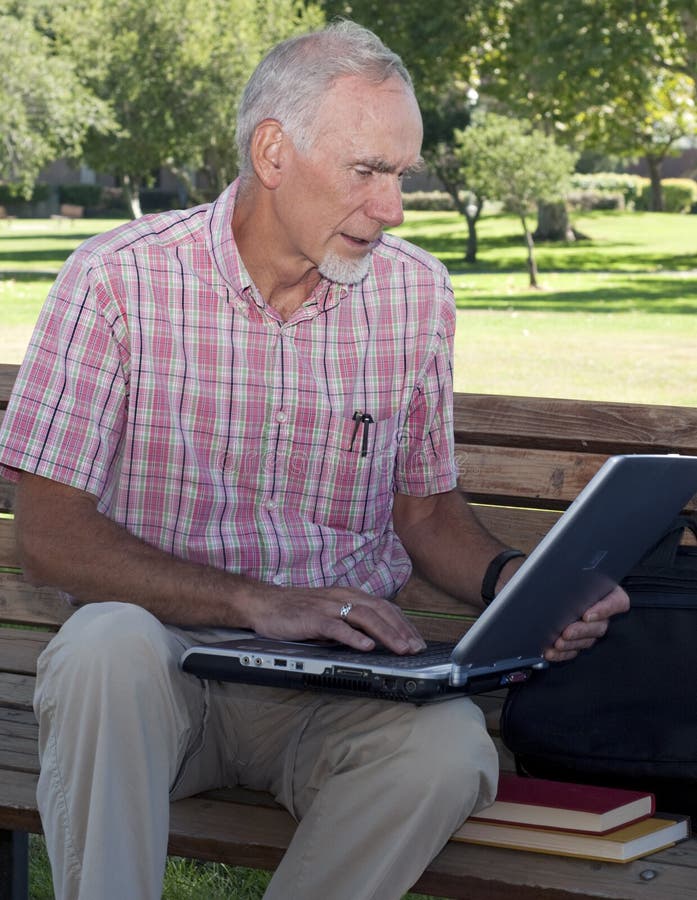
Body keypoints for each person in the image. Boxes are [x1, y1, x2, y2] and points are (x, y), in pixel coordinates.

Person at [0, 20, 628, 900]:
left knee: (450, 749)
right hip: (160, 683)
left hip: (337, 695)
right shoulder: (118, 282)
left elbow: (425, 515)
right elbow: (51, 538)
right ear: (272, 152)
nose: (393, 208)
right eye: (366, 171)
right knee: (105, 644)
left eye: (399, 175)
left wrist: (523, 587)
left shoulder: (415, 294)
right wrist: (258, 603)